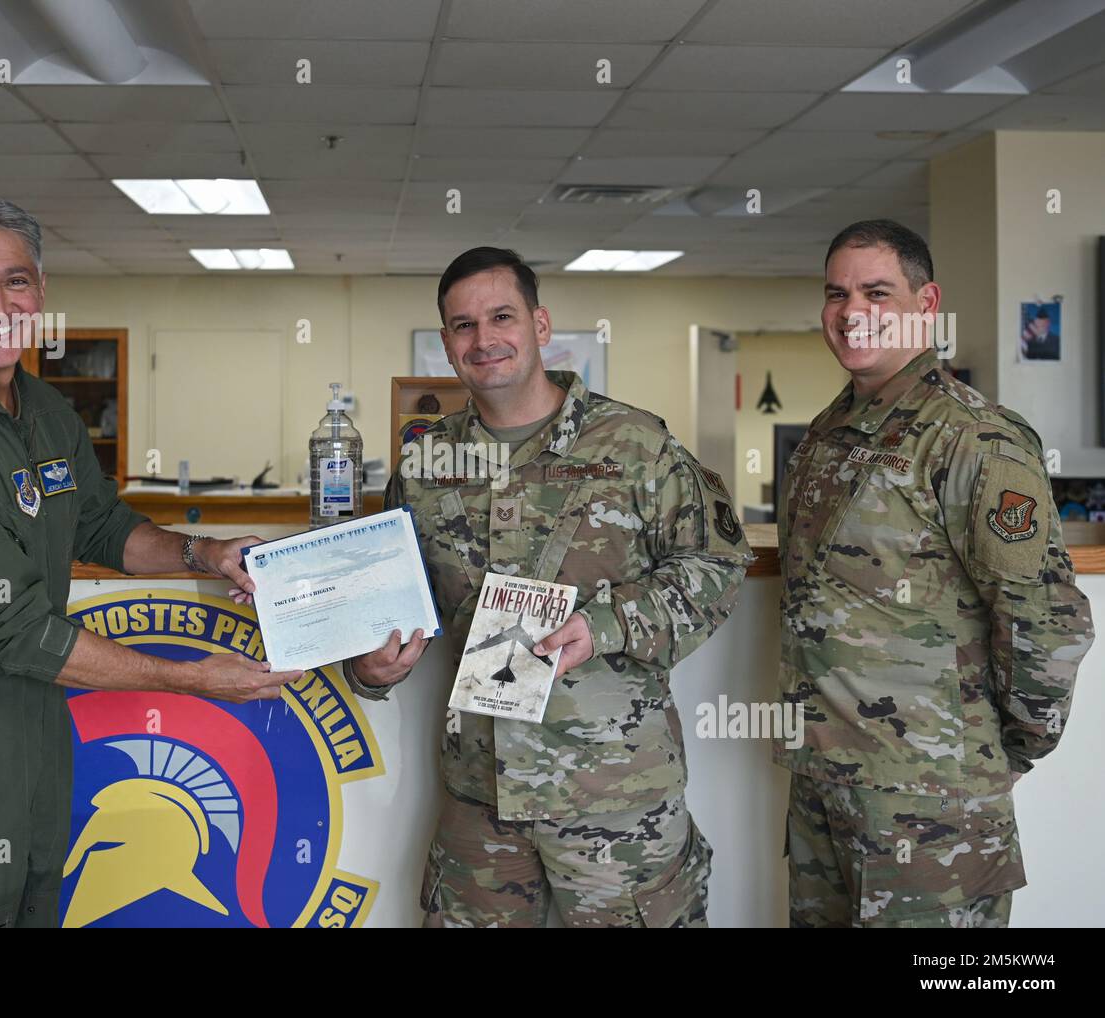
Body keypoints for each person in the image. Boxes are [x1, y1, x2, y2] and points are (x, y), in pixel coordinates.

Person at [0, 196, 300, 928]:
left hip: (36, 727)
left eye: (14, 281)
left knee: (33, 901)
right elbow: (8, 626)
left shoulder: (45, 411)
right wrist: (192, 682)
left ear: (40, 293)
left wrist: (202, 553)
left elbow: (101, 525)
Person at [345, 247, 753, 927]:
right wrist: (370, 668)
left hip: (614, 800)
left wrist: (608, 624)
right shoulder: (425, 464)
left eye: (501, 317)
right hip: (481, 803)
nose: (484, 340)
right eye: (463, 325)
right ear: (447, 343)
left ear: (540, 325)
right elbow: (393, 597)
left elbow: (715, 567)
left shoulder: (634, 445)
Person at [776, 219, 1094, 928]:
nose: (852, 312)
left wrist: (1005, 753)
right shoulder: (830, 433)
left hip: (931, 805)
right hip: (826, 787)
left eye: (877, 292)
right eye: (837, 293)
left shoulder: (975, 438)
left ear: (927, 303)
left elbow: (1043, 618)